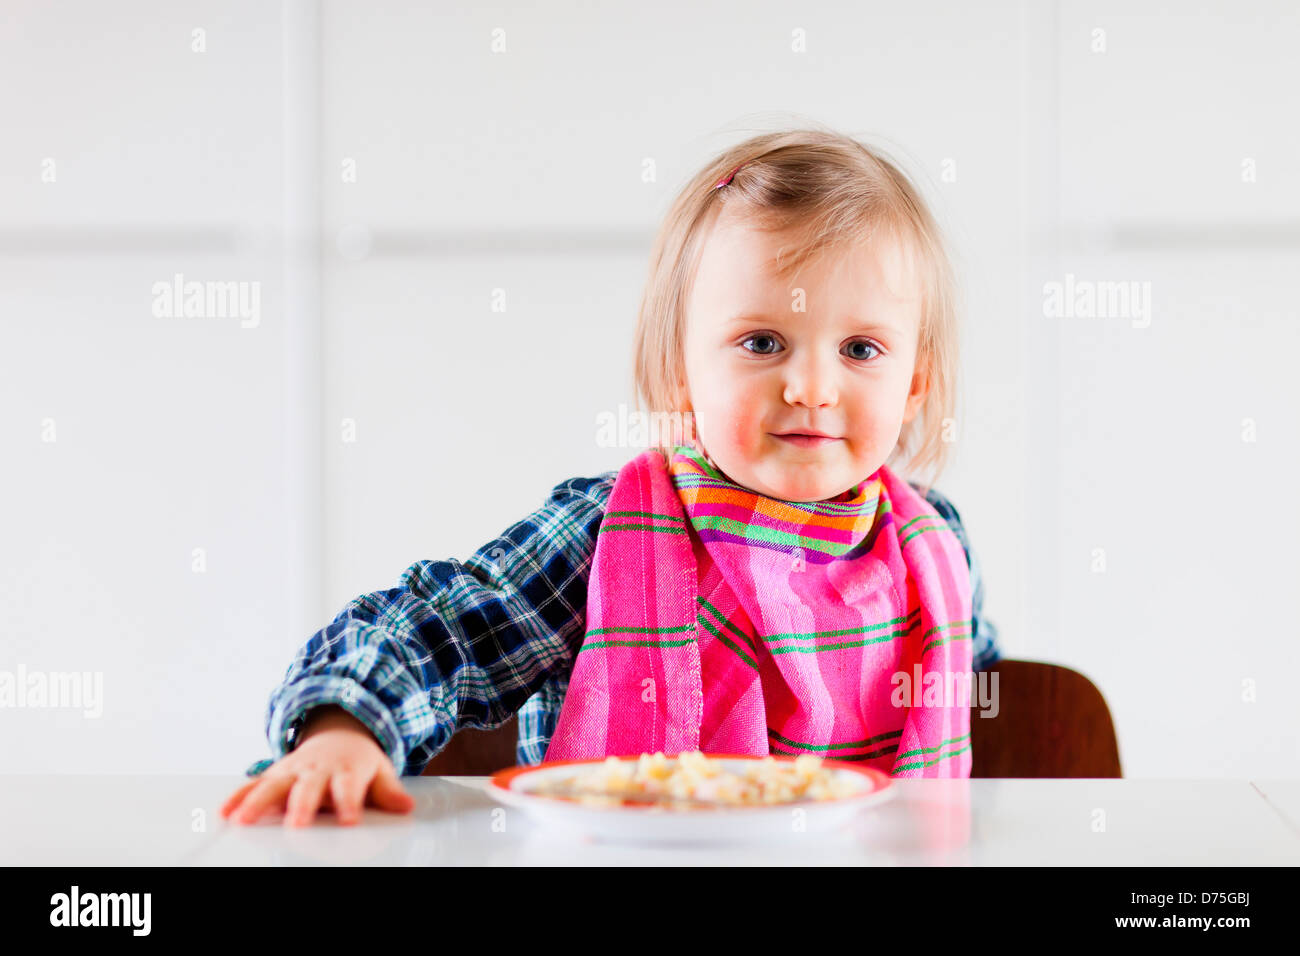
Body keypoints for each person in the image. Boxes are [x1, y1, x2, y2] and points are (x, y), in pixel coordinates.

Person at [222, 126, 1001, 828]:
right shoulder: (614, 529)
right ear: (680, 374)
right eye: (762, 342)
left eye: (861, 350)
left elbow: (987, 695)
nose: (812, 388)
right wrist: (344, 724)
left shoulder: (933, 550)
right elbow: (450, 624)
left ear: (916, 384)